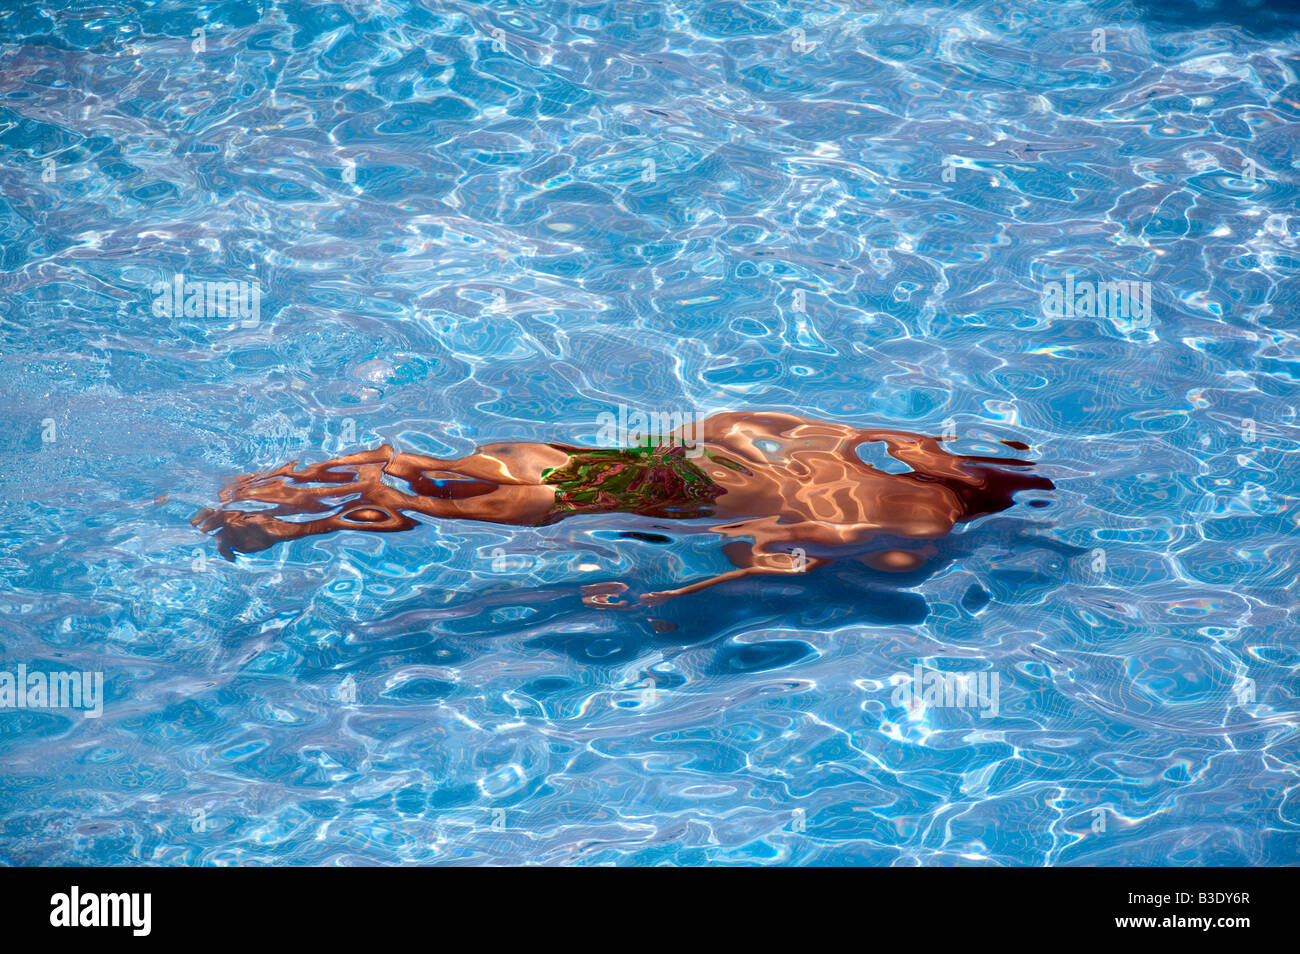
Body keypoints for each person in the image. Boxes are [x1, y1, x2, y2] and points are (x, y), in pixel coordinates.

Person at [194, 411, 1052, 603]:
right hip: (633, 500)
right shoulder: (924, 524)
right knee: (413, 504)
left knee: (418, 466)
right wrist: (674, 594)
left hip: (612, 460)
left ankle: (284, 490)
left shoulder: (837, 444)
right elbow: (783, 548)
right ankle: (280, 522)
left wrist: (682, 455)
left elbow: (730, 422)